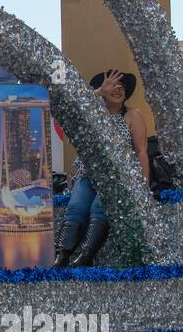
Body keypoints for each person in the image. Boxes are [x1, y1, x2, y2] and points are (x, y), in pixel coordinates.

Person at [54, 69, 150, 267]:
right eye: (112, 86)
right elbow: (72, 106)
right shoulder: (92, 112)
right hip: (89, 174)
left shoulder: (132, 115)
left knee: (100, 206)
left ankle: (86, 255)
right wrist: (98, 93)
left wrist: (144, 186)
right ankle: (62, 255)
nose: (117, 90)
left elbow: (141, 152)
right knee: (76, 207)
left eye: (121, 87)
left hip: (120, 178)